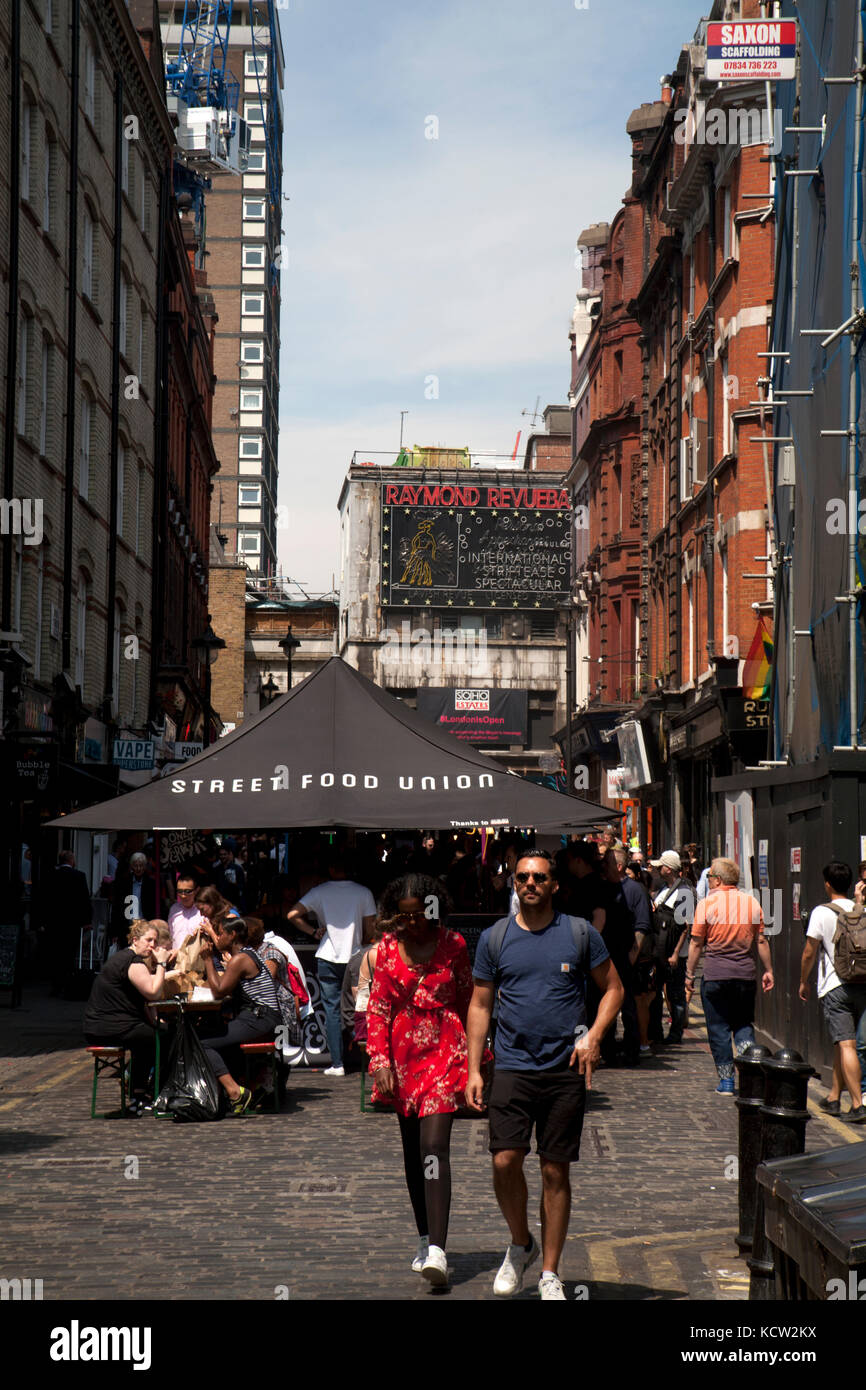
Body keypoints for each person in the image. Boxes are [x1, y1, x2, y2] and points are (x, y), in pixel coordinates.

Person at [466, 849, 623, 1300]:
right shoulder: (495, 938)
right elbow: (480, 1004)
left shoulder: (579, 934)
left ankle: (550, 1271)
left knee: (555, 1171)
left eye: (539, 877)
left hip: (563, 1070)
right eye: (522, 877)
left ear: (554, 884)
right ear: (513, 884)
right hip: (513, 1066)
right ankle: (521, 1243)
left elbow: (613, 988)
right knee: (505, 1160)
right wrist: (473, 1068)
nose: (530, 883)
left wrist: (593, 1036)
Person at [366, 875, 472, 1288]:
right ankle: (424, 1236)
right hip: (403, 1056)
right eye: (403, 916)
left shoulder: (454, 945)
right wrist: (379, 1062)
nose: (411, 923)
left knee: (433, 1146)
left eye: (418, 914)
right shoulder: (388, 949)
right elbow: (377, 1008)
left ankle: (439, 1253)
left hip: (447, 1049)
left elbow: (468, 1000)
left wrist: (481, 1058)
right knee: (413, 1151)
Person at [685, 858, 774, 1095]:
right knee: (743, 1025)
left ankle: (726, 1082)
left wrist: (689, 975)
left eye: (710, 876)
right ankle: (751, 1076)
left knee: (718, 1028)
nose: (709, 880)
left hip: (715, 975)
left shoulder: (707, 904)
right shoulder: (752, 903)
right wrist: (769, 970)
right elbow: (762, 940)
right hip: (745, 974)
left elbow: (696, 944)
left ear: (719, 879)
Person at [284, 854, 377, 1077]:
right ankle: (370, 1059)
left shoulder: (320, 891)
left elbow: (292, 914)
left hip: (327, 956)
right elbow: (371, 929)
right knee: (362, 1007)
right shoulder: (363, 892)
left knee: (332, 1011)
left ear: (331, 869)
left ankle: (337, 1064)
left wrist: (313, 931)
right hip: (356, 958)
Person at [799, 860, 866, 1123]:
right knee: (843, 1042)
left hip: (835, 985)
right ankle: (834, 1096)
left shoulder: (821, 912)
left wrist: (804, 981)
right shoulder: (860, 909)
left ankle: (858, 1104)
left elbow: (809, 952)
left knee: (846, 1043)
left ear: (827, 884)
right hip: (862, 983)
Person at [83, 920, 170, 1114]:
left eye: (155, 942)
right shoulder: (133, 962)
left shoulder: (125, 958)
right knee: (165, 1039)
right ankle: (152, 1093)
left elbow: (142, 1002)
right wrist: (162, 963)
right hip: (110, 1027)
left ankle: (138, 1095)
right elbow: (153, 992)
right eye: (148, 940)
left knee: (151, 1039)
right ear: (135, 940)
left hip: (101, 1026)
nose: (152, 946)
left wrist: (157, 1022)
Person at [198, 917, 281, 1115]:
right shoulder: (247, 954)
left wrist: (208, 960)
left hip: (261, 1018)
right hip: (260, 1017)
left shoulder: (240, 959)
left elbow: (218, 992)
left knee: (202, 1042)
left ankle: (235, 1092)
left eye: (221, 933)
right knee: (209, 1035)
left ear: (232, 935)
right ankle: (239, 1087)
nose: (217, 938)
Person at [649, 850, 693, 1045]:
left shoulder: (684, 892)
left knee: (676, 995)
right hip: (660, 952)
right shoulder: (664, 889)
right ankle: (656, 1032)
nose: (657, 869)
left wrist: (676, 953)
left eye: (660, 866)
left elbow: (686, 926)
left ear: (669, 869)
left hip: (676, 955)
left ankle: (675, 1034)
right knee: (657, 992)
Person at [42, 850, 93, 996]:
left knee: (55, 953)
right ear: (71, 860)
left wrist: (44, 921)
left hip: (55, 922)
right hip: (72, 922)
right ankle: (66, 983)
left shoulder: (52, 875)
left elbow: (45, 899)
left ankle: (56, 984)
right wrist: (87, 920)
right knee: (69, 954)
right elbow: (84, 900)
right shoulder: (79, 876)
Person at [167, 874, 205, 951]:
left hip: (196, 958)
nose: (183, 896)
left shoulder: (203, 910)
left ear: (197, 890)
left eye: (187, 891)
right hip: (176, 958)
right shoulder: (174, 909)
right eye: (180, 891)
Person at [212, 839, 246, 911]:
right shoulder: (216, 870)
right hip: (220, 903)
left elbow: (242, 887)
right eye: (221, 855)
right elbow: (213, 886)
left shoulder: (237, 869)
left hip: (234, 902)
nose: (222, 856)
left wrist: (234, 883)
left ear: (229, 854)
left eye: (224, 854)